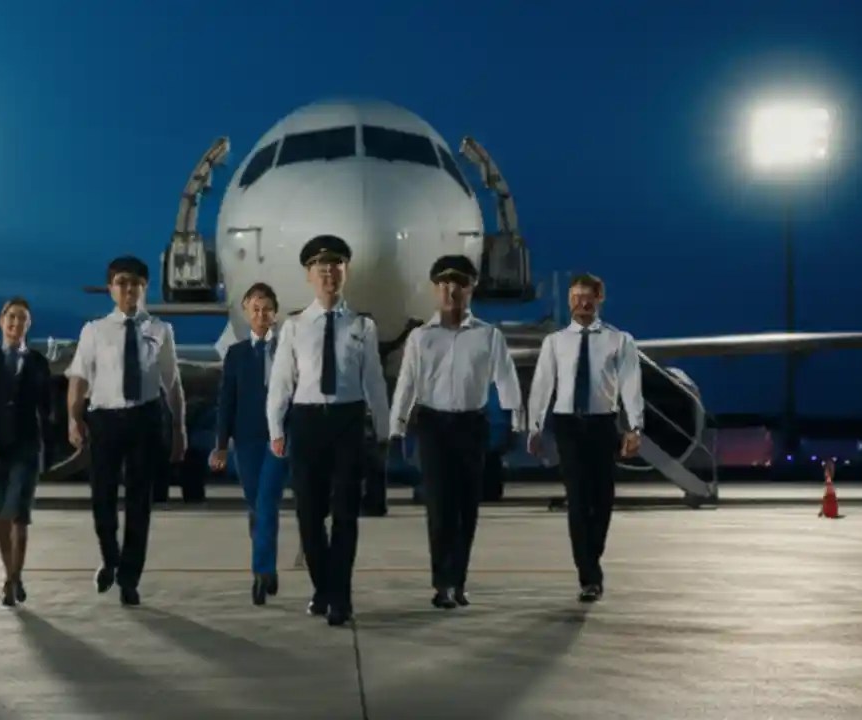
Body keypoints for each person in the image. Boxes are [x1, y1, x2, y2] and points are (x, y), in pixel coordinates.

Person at [267, 235, 390, 627]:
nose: (329, 273)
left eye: (336, 266)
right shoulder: (294, 326)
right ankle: (323, 586)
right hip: (306, 422)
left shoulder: (362, 326)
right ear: (309, 275)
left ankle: (341, 597)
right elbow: (281, 382)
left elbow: (374, 381)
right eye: (321, 268)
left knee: (345, 515)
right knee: (308, 514)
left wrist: (385, 430)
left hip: (348, 422)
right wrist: (275, 427)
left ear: (345, 273)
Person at [390, 255, 524, 609]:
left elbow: (506, 380)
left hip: (471, 426)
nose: (452, 290)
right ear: (436, 289)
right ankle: (442, 584)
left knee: (467, 507)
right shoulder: (421, 337)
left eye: (459, 284)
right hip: (433, 426)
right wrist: (396, 427)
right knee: (438, 505)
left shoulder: (487, 336)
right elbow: (407, 383)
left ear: (470, 288)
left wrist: (516, 424)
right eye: (444, 284)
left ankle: (458, 580)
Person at [66, 256, 186, 607]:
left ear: (144, 287)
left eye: (134, 283)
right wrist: (74, 419)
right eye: (121, 282)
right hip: (105, 419)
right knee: (102, 497)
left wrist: (179, 428)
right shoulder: (94, 330)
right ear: (110, 289)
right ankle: (110, 557)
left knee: (139, 502)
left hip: (145, 419)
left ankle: (130, 577)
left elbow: (172, 383)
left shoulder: (161, 330)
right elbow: (79, 378)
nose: (128, 289)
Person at [527, 273, 644, 602]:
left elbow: (631, 387)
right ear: (569, 301)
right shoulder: (555, 342)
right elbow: (542, 386)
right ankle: (588, 575)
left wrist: (635, 427)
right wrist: (534, 427)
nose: (582, 303)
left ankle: (592, 556)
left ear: (599, 299)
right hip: (568, 426)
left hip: (602, 425)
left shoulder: (619, 341)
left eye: (587, 297)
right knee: (578, 499)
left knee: (603, 498)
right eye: (576, 297)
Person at [0, 296, 52, 607]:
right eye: (12, 317)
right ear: (1, 321)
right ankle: (10, 573)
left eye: (23, 319)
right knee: (0, 513)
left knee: (19, 513)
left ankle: (13, 579)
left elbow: (47, 409)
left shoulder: (38, 363)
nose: (16, 324)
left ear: (29, 326)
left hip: (27, 446)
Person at [210, 282, 290, 606]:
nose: (261, 314)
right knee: (255, 506)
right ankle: (264, 560)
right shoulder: (237, 354)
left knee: (267, 501)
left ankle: (262, 572)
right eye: (255, 309)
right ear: (246, 312)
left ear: (275, 313)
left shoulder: (287, 348)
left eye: (266, 308)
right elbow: (226, 401)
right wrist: (221, 444)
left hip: (278, 440)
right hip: (246, 440)